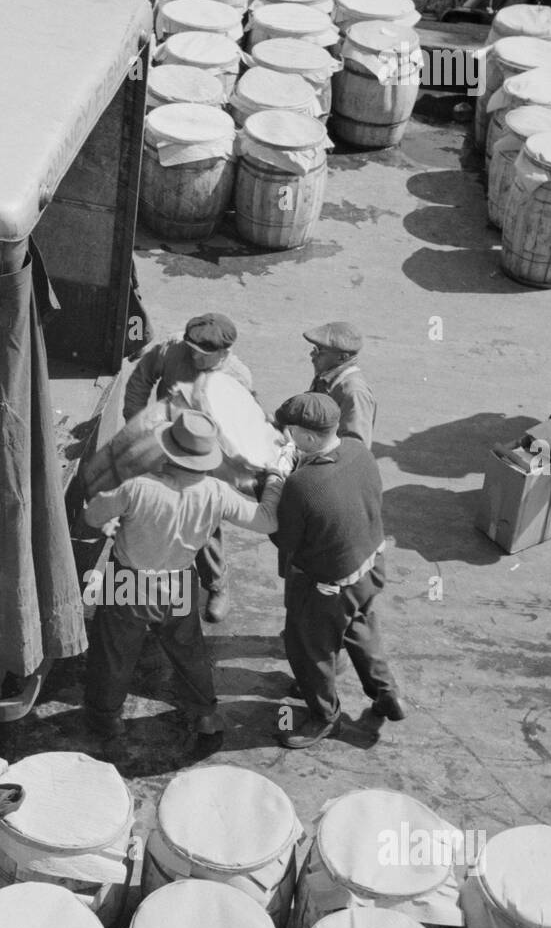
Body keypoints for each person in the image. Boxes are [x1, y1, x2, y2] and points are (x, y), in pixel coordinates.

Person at [82, 411, 291, 756]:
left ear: (167, 451)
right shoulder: (216, 492)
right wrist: (276, 480)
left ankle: (108, 720)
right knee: (188, 650)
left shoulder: (138, 488)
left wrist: (108, 512)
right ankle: (206, 715)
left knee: (114, 653)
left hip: (129, 582)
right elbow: (267, 521)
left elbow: (92, 516)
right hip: (178, 580)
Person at [271, 392, 405, 749]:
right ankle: (385, 692)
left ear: (311, 438)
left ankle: (323, 717)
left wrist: (276, 482)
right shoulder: (359, 450)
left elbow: (283, 540)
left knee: (309, 649)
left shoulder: (302, 485)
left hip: (325, 588)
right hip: (369, 567)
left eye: (292, 432)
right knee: (360, 627)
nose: (287, 436)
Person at [122, 313, 257, 623]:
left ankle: (217, 583)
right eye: (192, 350)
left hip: (206, 459)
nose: (194, 357)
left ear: (225, 354)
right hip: (161, 445)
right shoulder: (171, 349)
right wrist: (136, 422)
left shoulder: (237, 378)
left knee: (203, 523)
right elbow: (142, 378)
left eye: (204, 355)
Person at [304, 320, 378, 446]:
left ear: (342, 357)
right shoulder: (326, 377)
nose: (312, 354)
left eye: (319, 351)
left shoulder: (354, 393)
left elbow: (354, 450)